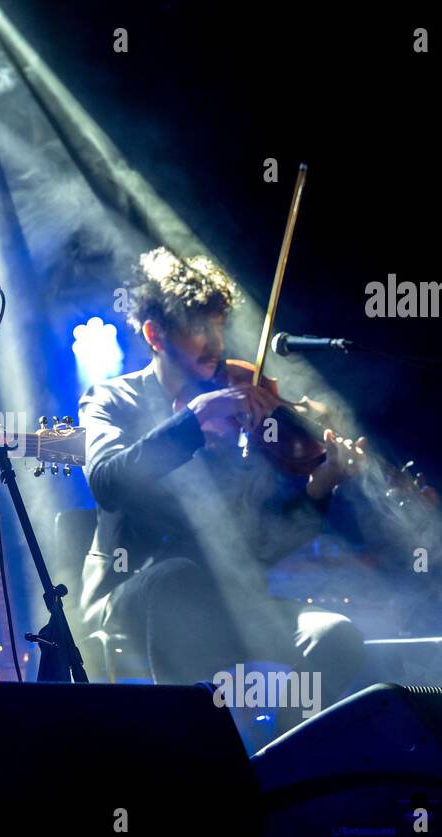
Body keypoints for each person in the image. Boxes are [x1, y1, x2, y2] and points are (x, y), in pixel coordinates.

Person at [78, 247, 366, 704]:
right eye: (197, 328)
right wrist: (192, 422)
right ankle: (198, 752)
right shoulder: (113, 399)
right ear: (156, 334)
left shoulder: (234, 409)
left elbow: (260, 545)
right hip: (133, 597)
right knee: (178, 579)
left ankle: (289, 760)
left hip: (227, 601)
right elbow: (107, 481)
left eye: (218, 326)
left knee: (334, 634)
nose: (214, 342)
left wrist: (322, 482)